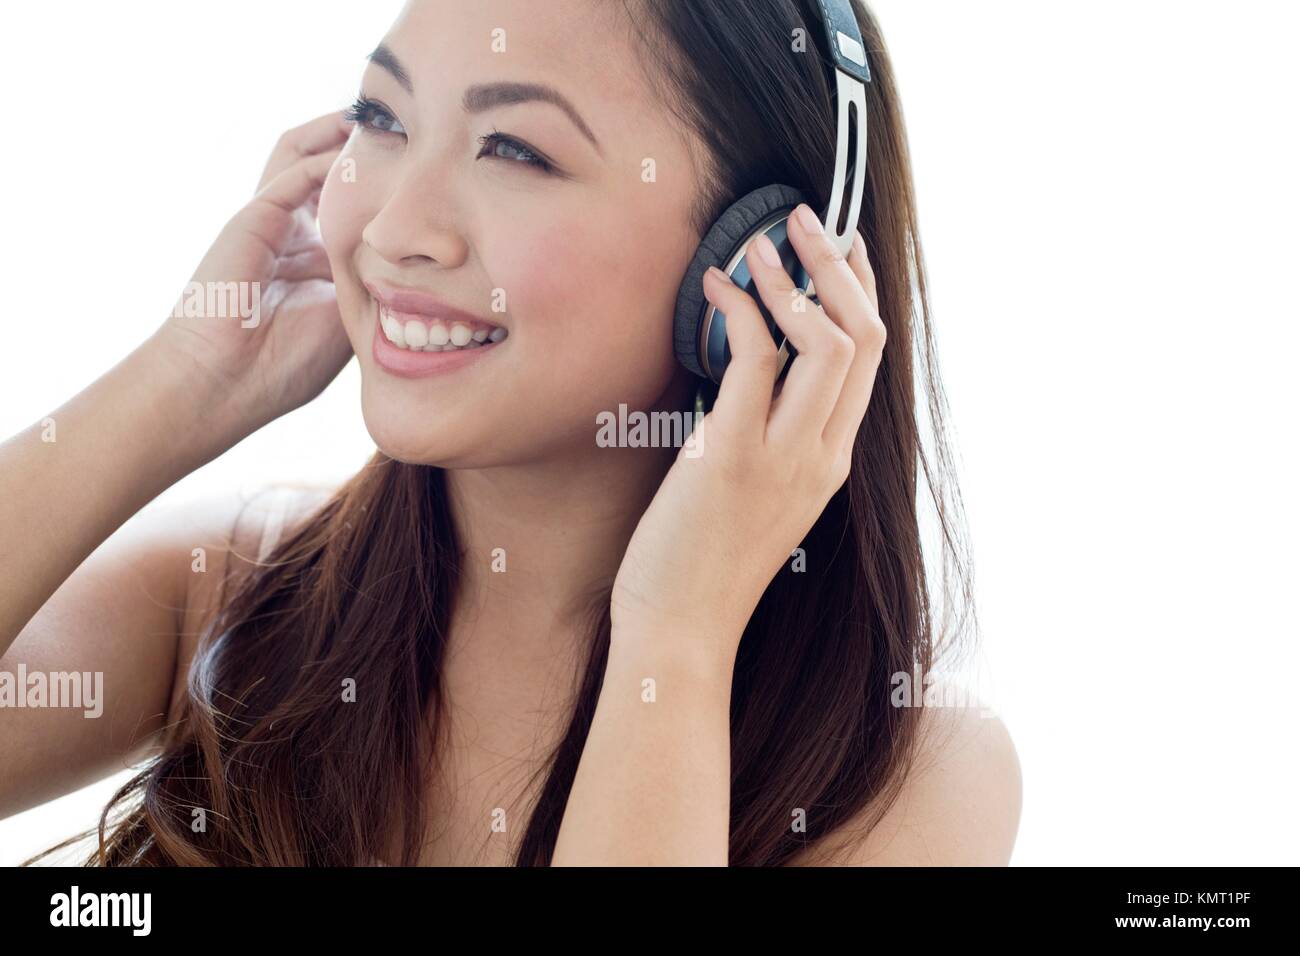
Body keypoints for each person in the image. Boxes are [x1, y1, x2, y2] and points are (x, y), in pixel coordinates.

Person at [1, 0, 1020, 866]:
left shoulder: (911, 777)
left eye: (515, 150)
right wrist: (185, 377)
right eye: (381, 116)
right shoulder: (237, 593)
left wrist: (677, 639)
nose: (395, 229)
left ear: (769, 262)